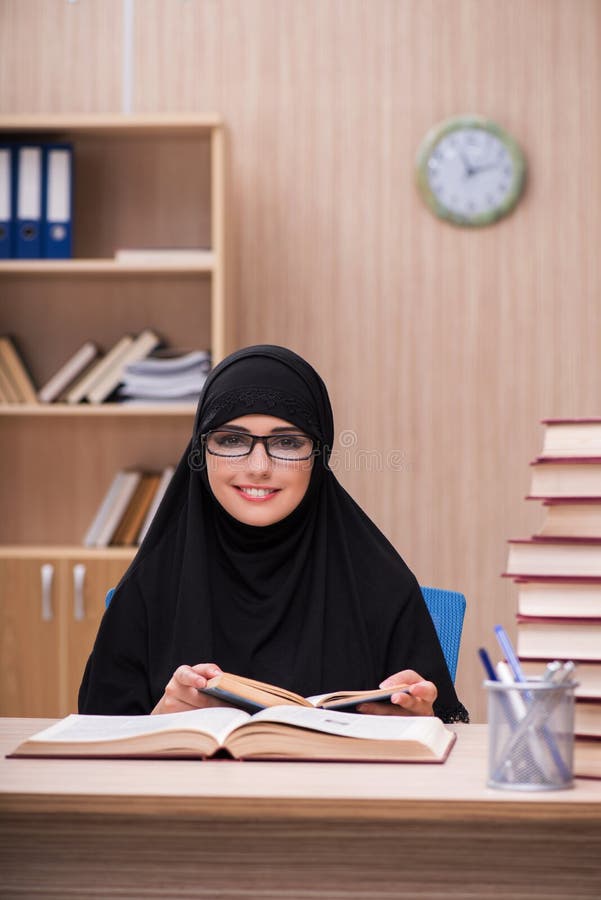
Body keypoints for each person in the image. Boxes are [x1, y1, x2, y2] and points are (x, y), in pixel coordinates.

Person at [79, 345, 468, 723]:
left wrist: (419, 719)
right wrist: (159, 719)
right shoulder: (149, 589)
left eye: (287, 442)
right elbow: (96, 739)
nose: (259, 466)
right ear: (201, 450)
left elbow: (439, 734)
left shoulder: (383, 587)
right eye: (232, 440)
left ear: (318, 455)